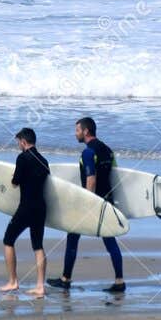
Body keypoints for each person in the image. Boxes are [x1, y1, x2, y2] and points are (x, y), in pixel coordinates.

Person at [47, 116, 125, 293]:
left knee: (72, 237)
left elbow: (91, 179)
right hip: (107, 201)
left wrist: (87, 203)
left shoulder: (88, 153)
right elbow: (115, 174)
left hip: (92, 202)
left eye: (77, 130)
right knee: (110, 241)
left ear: (86, 131)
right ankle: (119, 281)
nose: (75, 134)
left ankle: (66, 279)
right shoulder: (108, 150)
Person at [0, 128, 50, 297]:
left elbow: (15, 182)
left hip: (26, 207)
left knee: (8, 240)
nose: (18, 145)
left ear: (23, 141)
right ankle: (40, 286)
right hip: (41, 208)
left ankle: (13, 282)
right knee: (38, 245)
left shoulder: (22, 158)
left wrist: (15, 177)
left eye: (18, 142)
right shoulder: (44, 161)